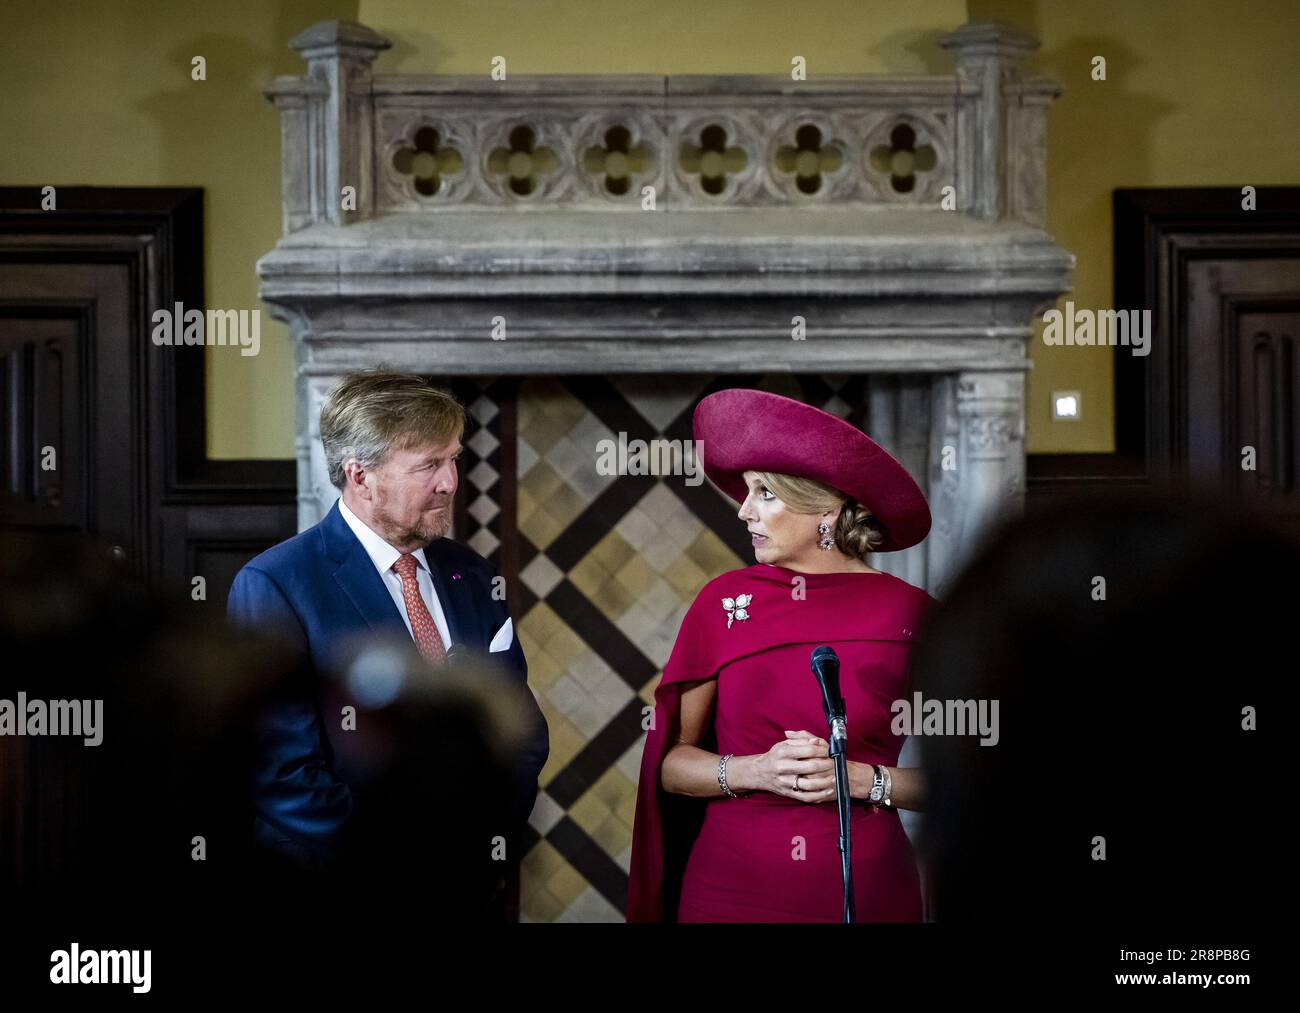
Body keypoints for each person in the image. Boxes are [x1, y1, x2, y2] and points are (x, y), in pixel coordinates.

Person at [627, 388, 936, 922]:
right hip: (729, 890)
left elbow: (982, 777)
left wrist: (863, 779)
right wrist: (756, 771)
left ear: (827, 508)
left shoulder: (913, 615)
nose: (744, 511)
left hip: (866, 890)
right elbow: (672, 766)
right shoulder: (723, 603)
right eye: (746, 493)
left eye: (764, 494)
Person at [227, 369, 549, 876]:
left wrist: (478, 845)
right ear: (361, 476)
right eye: (428, 466)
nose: (450, 483)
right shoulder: (275, 583)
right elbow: (280, 773)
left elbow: (521, 732)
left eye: (453, 460)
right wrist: (408, 858)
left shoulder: (472, 573)